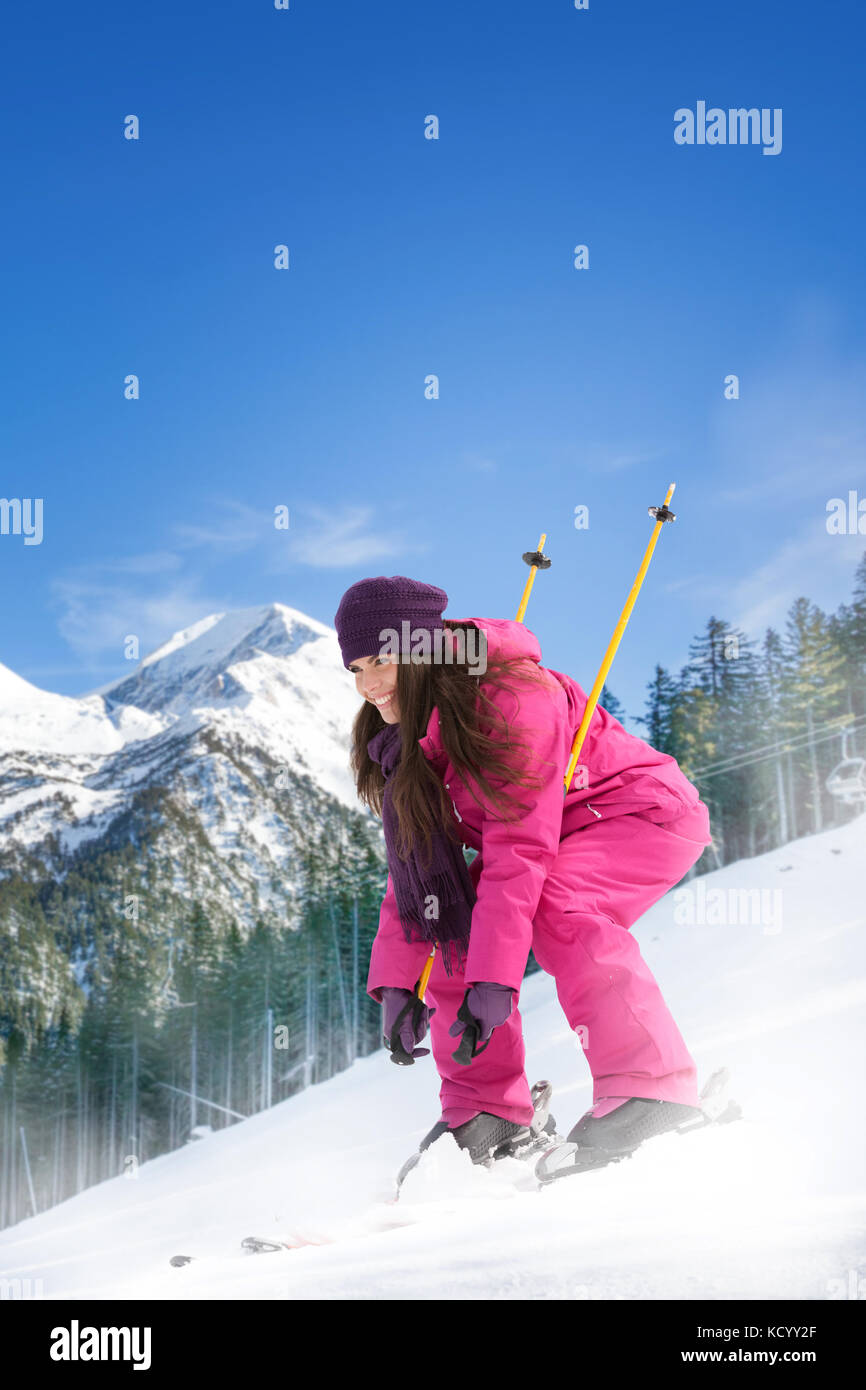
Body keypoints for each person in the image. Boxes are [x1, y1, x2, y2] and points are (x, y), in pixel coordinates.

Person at [333, 574, 713, 1169]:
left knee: (561, 907)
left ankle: (651, 1091)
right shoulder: (400, 740)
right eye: (355, 668)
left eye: (382, 659)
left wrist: (497, 981)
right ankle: (485, 1111)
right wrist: (400, 982)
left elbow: (518, 851)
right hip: (548, 831)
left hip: (636, 810)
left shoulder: (511, 697)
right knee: (455, 920)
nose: (370, 685)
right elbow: (416, 875)